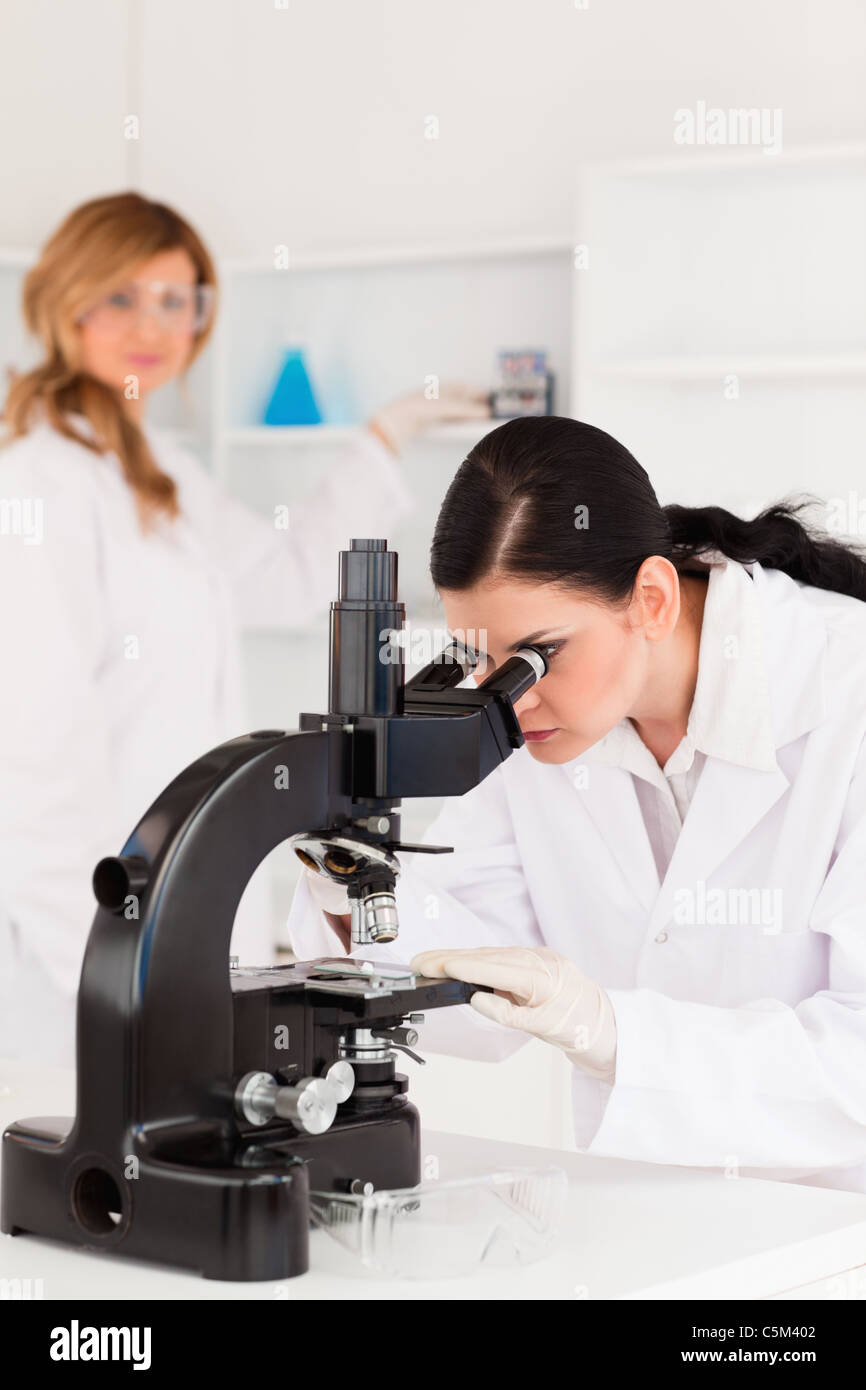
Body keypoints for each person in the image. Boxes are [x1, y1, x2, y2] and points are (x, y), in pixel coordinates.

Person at [286, 414, 866, 1194]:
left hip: (835, 1229)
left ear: (652, 599)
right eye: (480, 660)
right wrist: (348, 892)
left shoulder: (845, 698)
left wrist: (613, 1034)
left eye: (536, 657)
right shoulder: (540, 721)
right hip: (645, 1210)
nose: (508, 698)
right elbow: (470, 948)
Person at [0, 191, 490, 1064]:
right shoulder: (43, 480)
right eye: (123, 296)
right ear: (63, 301)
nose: (156, 325)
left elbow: (282, 578)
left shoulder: (159, 470)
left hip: (172, 922)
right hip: (87, 946)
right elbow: (31, 754)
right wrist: (110, 965)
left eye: (178, 300)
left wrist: (387, 435)